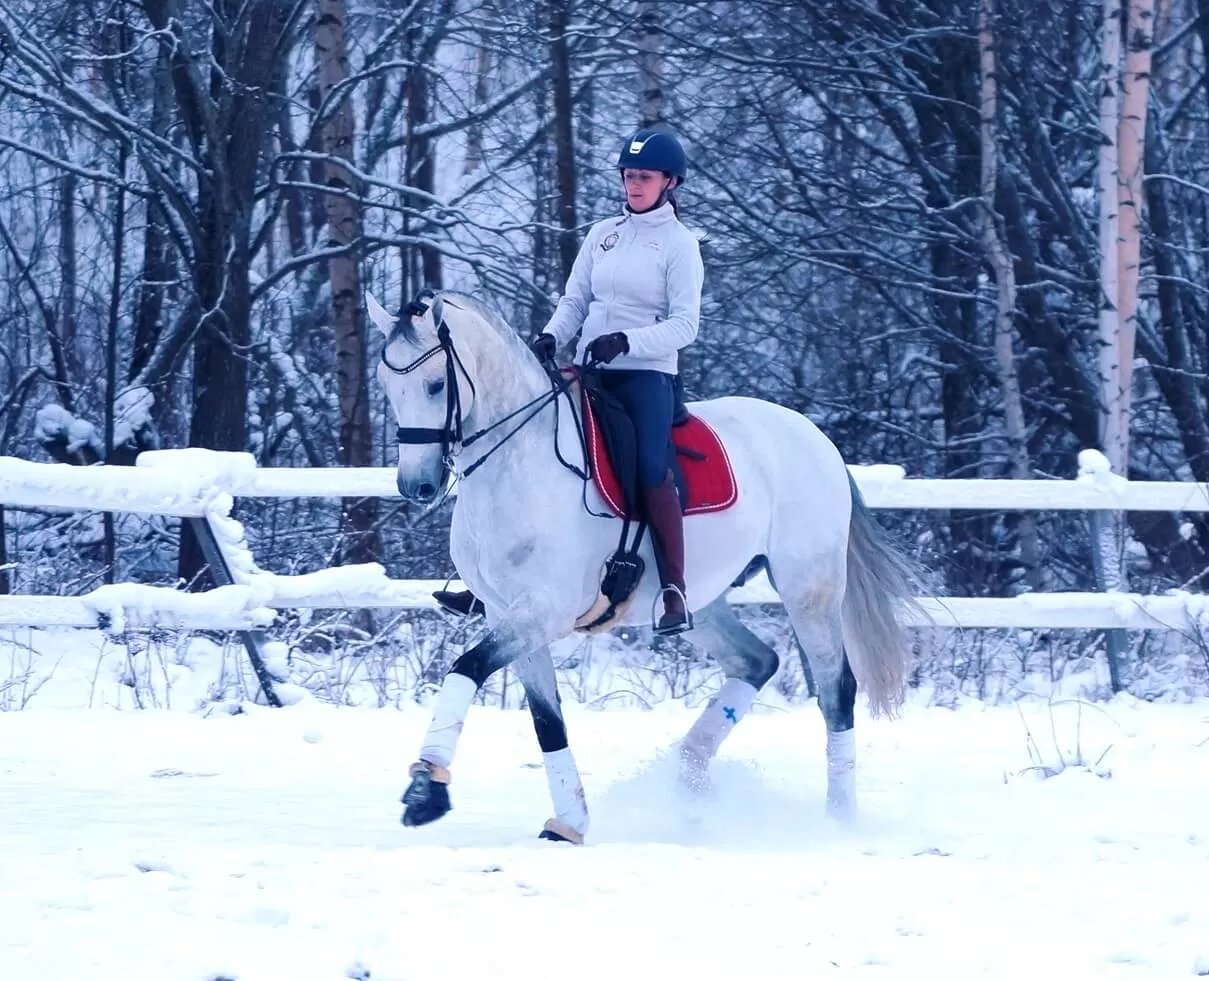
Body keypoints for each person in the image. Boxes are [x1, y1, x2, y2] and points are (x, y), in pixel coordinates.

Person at [434, 128, 704, 635]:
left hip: (646, 376)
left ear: (670, 182)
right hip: (590, 369)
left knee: (649, 468)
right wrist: (550, 338)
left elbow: (686, 324)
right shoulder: (603, 234)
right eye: (628, 175)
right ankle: (487, 579)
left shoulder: (680, 245)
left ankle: (673, 590)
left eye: (644, 177)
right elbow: (575, 301)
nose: (633, 184)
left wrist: (627, 341)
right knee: (526, 446)